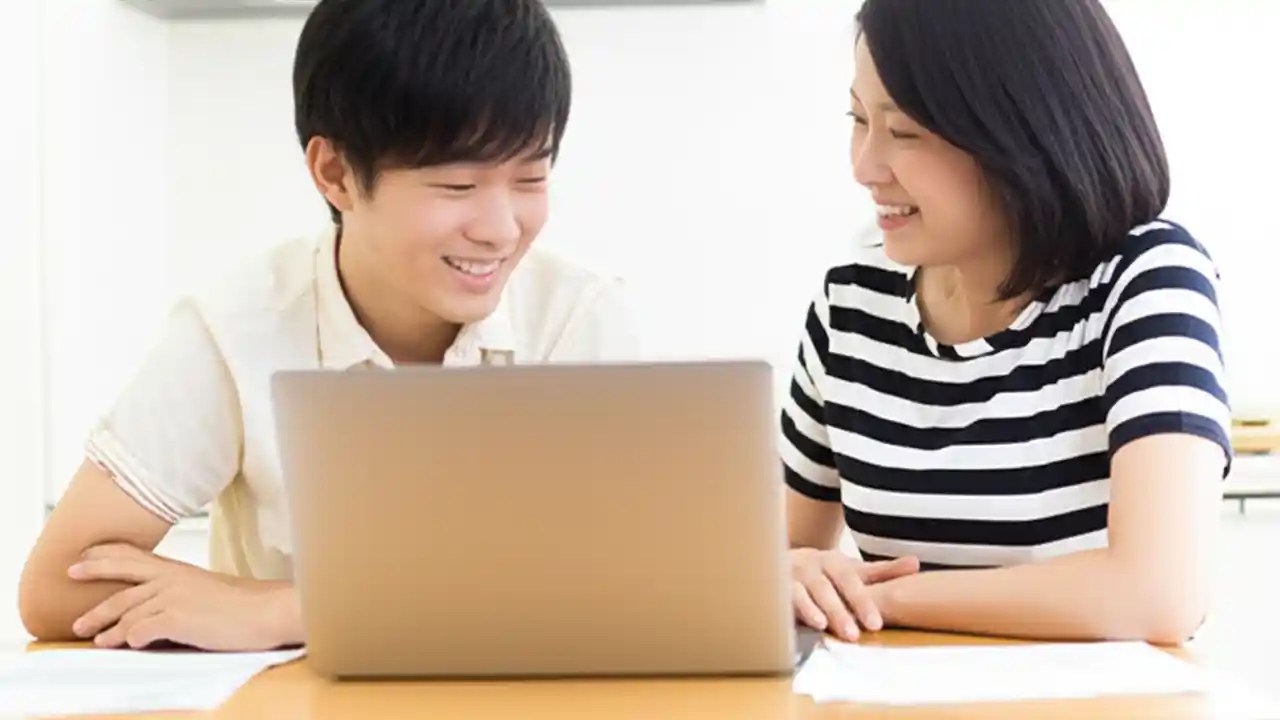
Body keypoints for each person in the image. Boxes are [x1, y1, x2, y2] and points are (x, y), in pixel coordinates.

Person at [19, 0, 635, 651]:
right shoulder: (237, 328)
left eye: (530, 178)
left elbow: (633, 584)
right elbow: (60, 587)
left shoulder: (575, 317)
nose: (501, 229)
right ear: (335, 173)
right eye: (457, 187)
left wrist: (293, 611)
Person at [783, 0, 1230, 645]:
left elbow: (1159, 594)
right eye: (858, 120)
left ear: (1019, 133)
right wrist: (790, 571)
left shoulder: (1146, 278)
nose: (864, 166)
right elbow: (772, 559)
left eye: (903, 131)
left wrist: (887, 596)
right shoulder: (852, 305)